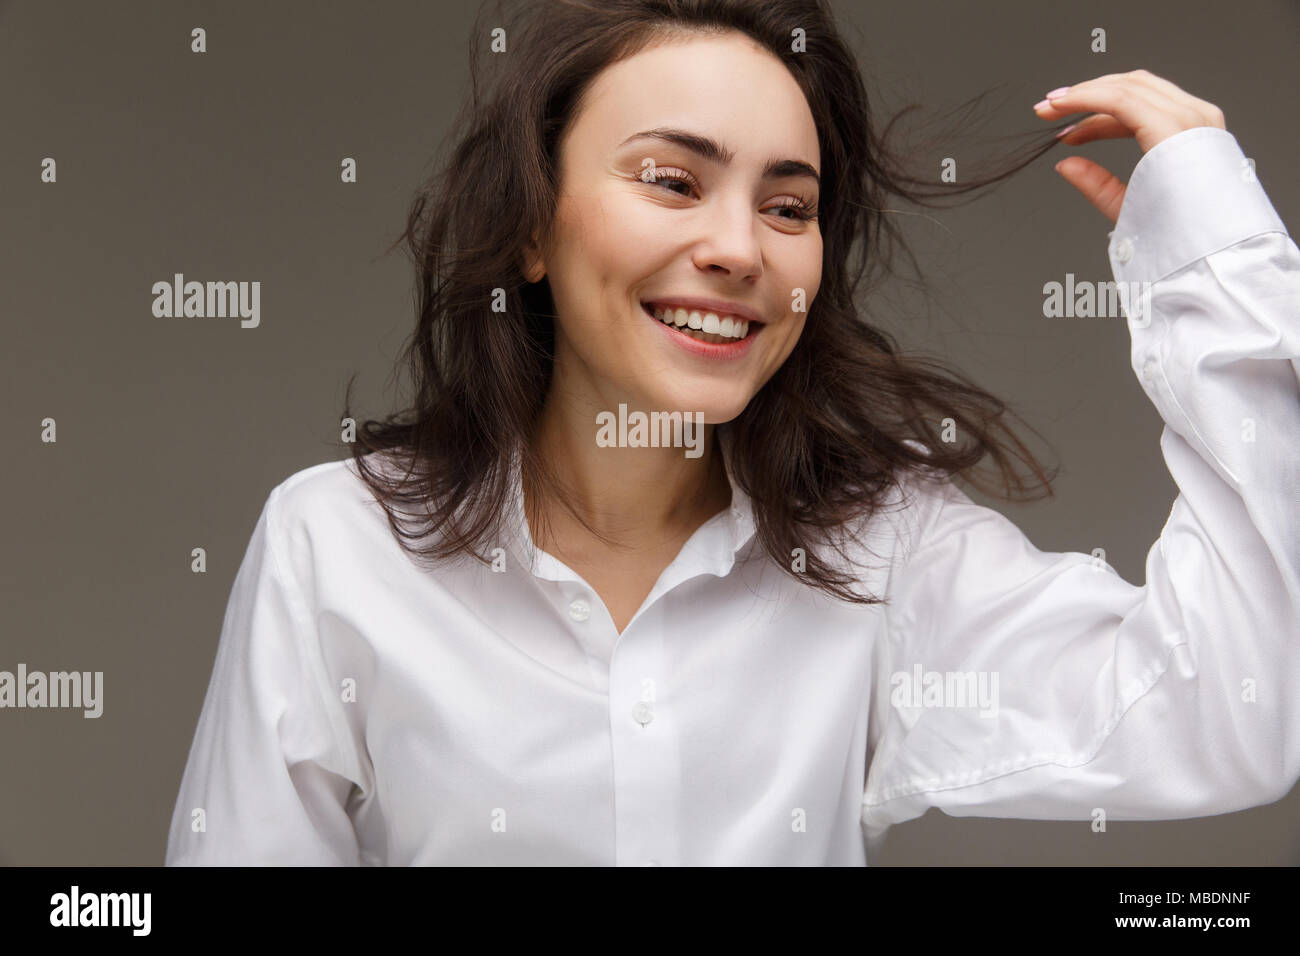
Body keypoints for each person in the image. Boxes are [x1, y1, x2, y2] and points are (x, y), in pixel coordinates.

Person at [165, 0, 1299, 865]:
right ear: (529, 229)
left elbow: (1230, 714)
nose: (739, 247)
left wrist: (1218, 261)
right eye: (671, 179)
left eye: (788, 205)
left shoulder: (883, 551)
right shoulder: (338, 543)